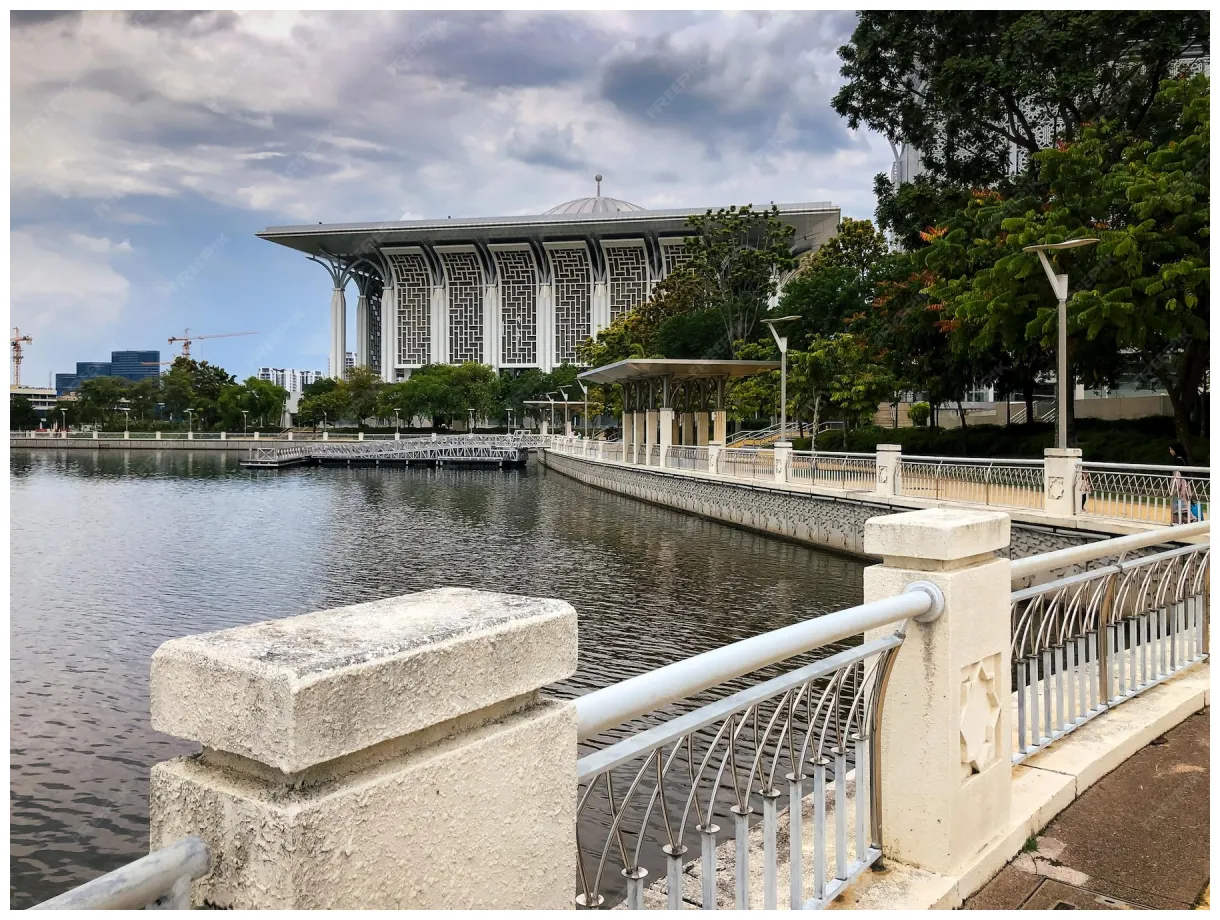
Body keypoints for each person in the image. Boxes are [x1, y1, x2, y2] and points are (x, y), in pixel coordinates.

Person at [1169, 443, 1195, 524]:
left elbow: (1177, 473)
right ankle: (1177, 521)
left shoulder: (1178, 459)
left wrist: (1175, 486)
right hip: (1182, 482)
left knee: (1182, 503)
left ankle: (1191, 519)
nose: (1170, 451)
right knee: (1178, 503)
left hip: (1180, 483)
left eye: (1171, 449)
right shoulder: (1181, 458)